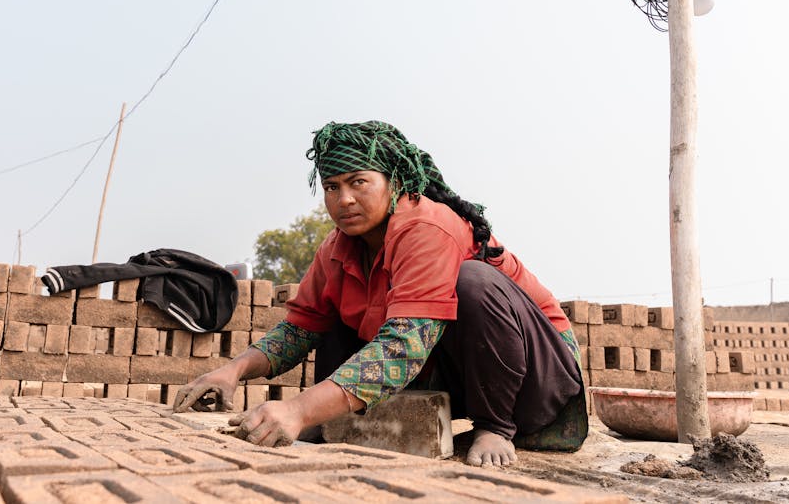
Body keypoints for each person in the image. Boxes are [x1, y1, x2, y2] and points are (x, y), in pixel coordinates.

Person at [173, 121, 586, 466]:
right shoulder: (337, 248)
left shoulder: (427, 226)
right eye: (332, 187)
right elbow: (300, 329)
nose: (344, 199)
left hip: (539, 376)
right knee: (340, 308)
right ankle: (335, 422)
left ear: (394, 182)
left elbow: (405, 346)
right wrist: (233, 369)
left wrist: (298, 408)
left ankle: (495, 427)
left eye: (358, 182)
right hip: (455, 371)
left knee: (471, 283)